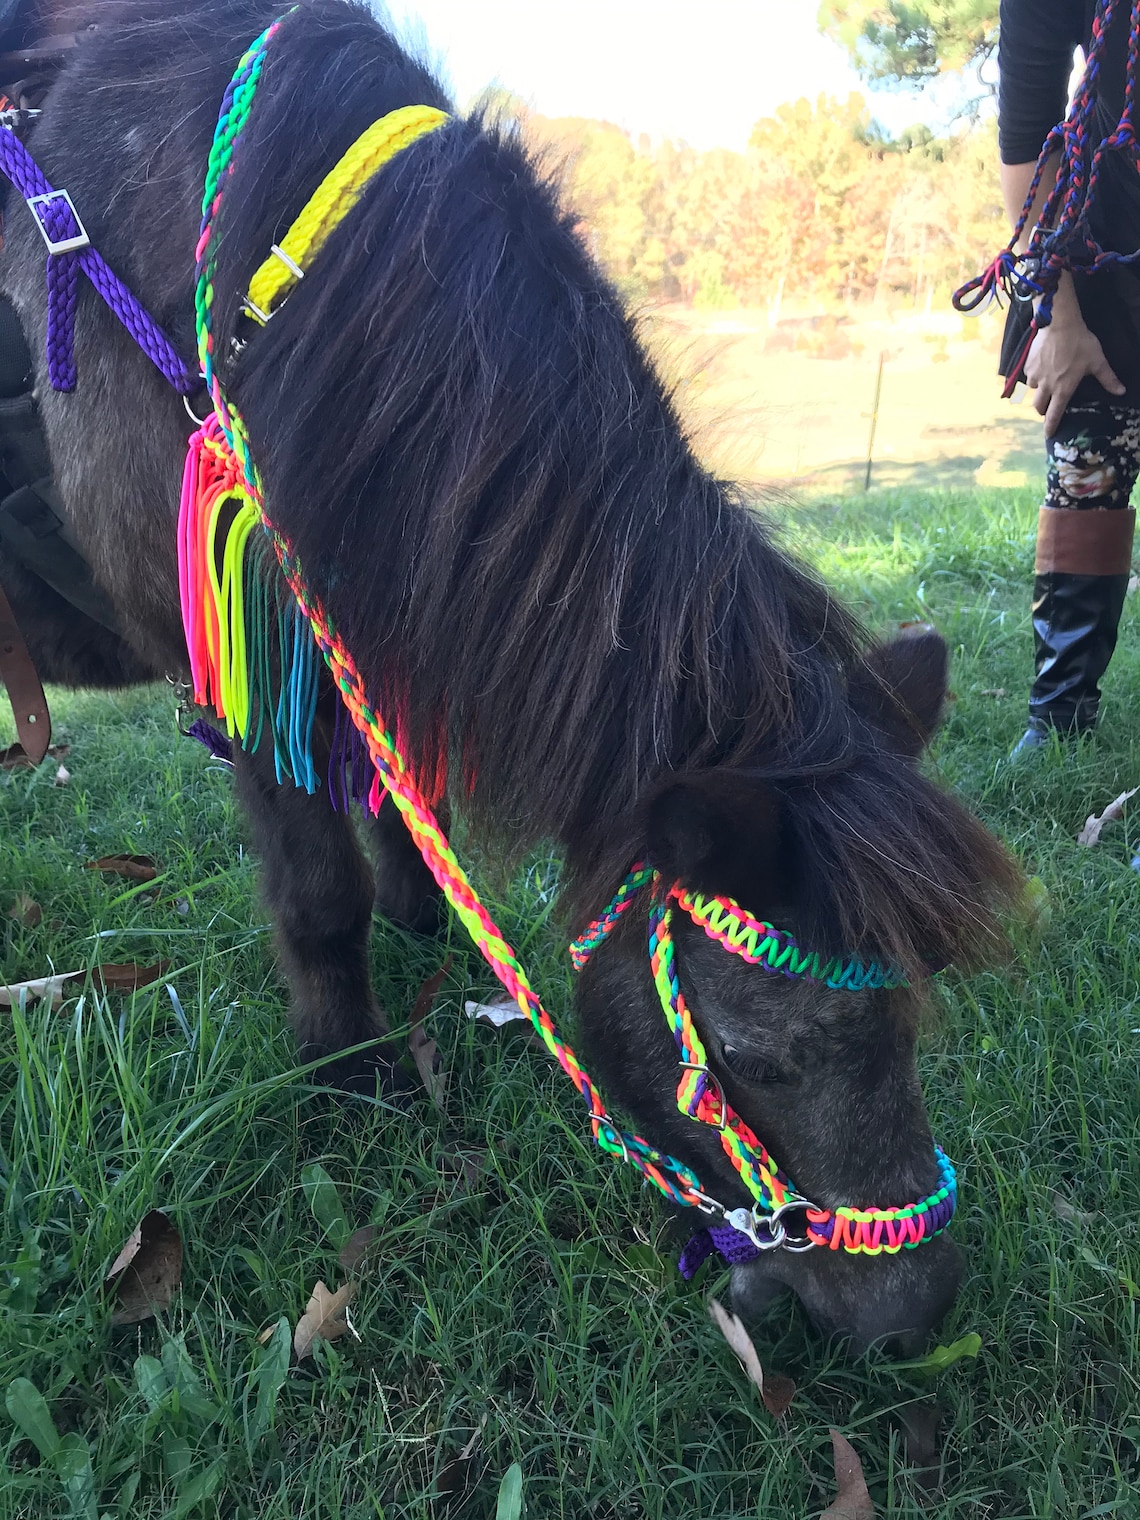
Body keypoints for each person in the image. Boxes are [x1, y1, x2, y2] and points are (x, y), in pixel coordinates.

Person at [998, 0, 1140, 754]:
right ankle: (1059, 717)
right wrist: (1058, 314)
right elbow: (1028, 139)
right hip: (1101, 237)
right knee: (1087, 456)